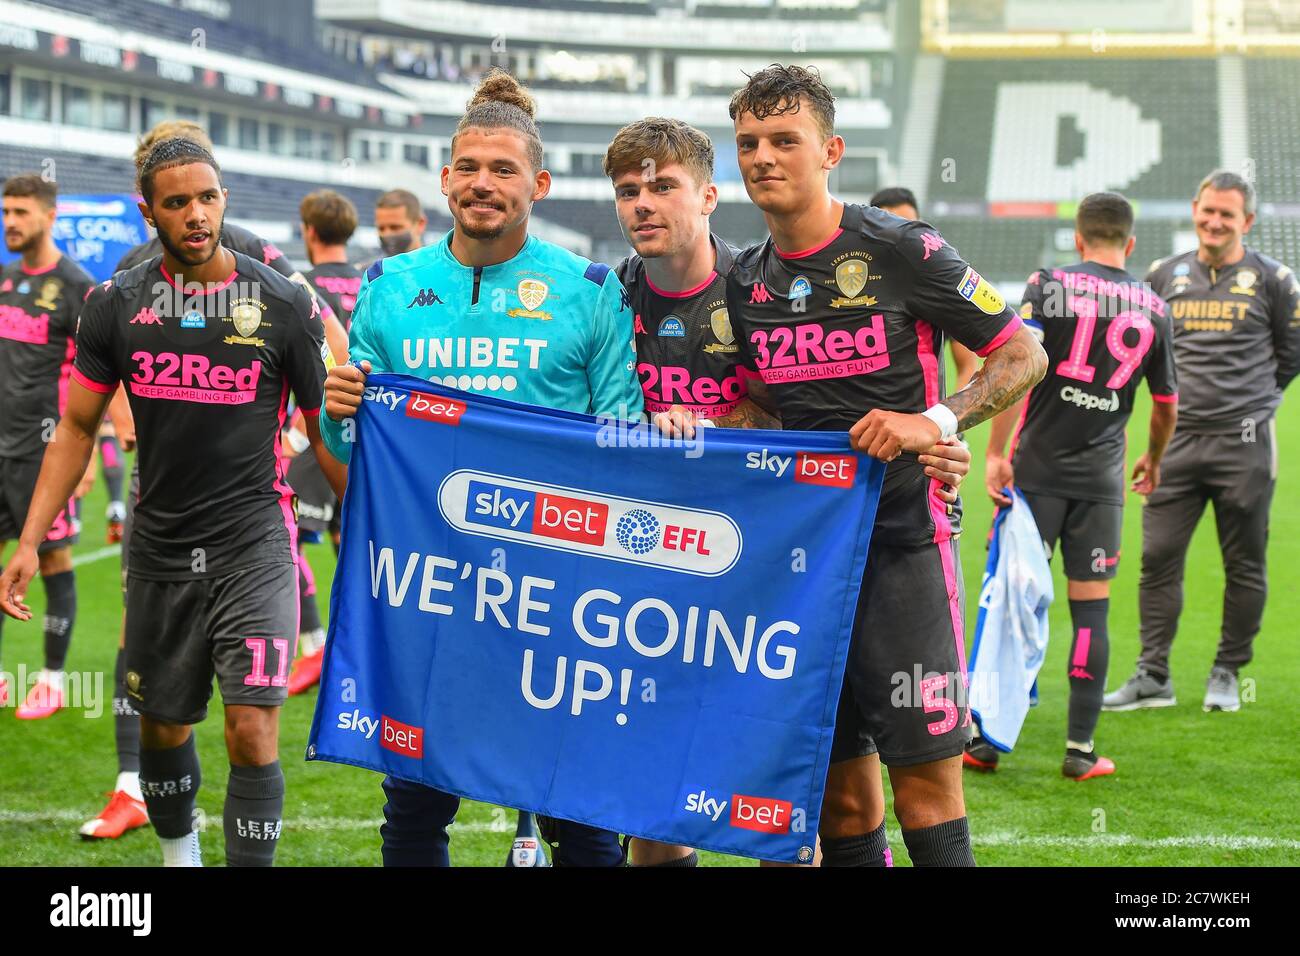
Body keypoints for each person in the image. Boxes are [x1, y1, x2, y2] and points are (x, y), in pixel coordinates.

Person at [609, 118, 973, 867]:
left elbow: (803, 407)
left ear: (708, 197)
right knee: (672, 789)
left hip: (798, 558)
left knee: (895, 792)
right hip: (671, 564)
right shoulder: (607, 296)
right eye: (628, 191)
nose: (644, 203)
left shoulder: (750, 289)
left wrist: (938, 429)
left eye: (663, 186)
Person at [721, 64, 1046, 866]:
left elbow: (1022, 354)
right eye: (749, 143)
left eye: (784, 140)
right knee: (838, 796)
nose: (763, 157)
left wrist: (932, 423)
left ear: (829, 150)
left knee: (925, 791)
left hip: (904, 544)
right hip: (805, 566)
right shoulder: (743, 281)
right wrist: (718, 423)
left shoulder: (901, 248)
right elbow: (765, 406)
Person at [323, 69, 641, 868]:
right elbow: (361, 448)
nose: (483, 184)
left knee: (578, 812)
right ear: (445, 179)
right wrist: (339, 409)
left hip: (557, 592)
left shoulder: (591, 290)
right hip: (429, 586)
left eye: (503, 170)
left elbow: (622, 440)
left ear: (537, 182)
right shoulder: (390, 289)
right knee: (417, 805)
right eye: (468, 167)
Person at [0, 138, 344, 866]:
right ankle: (178, 858)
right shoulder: (115, 304)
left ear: (225, 199)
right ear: (148, 210)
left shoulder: (281, 302)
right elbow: (76, 426)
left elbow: (327, 437)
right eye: (177, 201)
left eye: (208, 197)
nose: (196, 213)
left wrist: (373, 529)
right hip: (157, 550)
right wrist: (30, 538)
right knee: (162, 725)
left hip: (255, 542)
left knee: (252, 726)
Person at [970, 191, 1178, 778]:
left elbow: (1017, 367)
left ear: (1080, 239)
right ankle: (1080, 751)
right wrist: (1153, 459)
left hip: (1035, 473)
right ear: (1130, 244)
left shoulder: (1049, 283)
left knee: (1013, 600)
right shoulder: (1156, 308)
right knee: (1091, 614)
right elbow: (1166, 406)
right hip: (1101, 484)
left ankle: (985, 740)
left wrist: (994, 455)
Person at [1106, 170, 1300, 713]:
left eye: (1228, 215)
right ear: (1195, 210)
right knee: (1158, 557)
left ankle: (1226, 672)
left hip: (1246, 445)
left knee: (1244, 563)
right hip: (1176, 445)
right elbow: (1138, 352)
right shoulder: (1162, 276)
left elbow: (1292, 355)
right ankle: (1153, 675)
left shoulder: (1275, 280)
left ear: (1248, 222)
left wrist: (1255, 402)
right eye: (1208, 211)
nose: (1215, 222)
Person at [0, 174, 95, 718]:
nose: (11, 222)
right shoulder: (7, 279)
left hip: (44, 452)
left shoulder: (78, 286)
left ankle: (54, 680)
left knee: (53, 560)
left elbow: (101, 378)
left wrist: (84, 460)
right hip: (1, 447)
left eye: (21, 212)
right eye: (6, 212)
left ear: (49, 215)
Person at [284, 189, 364, 695]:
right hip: (370, 432)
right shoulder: (369, 281)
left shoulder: (298, 287)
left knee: (283, 532)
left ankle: (315, 646)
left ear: (309, 232)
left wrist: (294, 433)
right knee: (350, 543)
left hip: (321, 427)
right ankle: (353, 648)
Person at [870, 186, 979, 393]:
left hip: (920, 421)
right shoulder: (848, 285)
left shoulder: (938, 285)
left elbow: (967, 366)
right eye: (889, 225)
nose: (900, 235)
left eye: (907, 225)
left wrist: (951, 419)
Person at [374, 188, 427, 259]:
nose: (387, 234)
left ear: (420, 224)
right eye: (381, 228)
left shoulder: (437, 268)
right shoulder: (373, 269)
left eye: (395, 227)